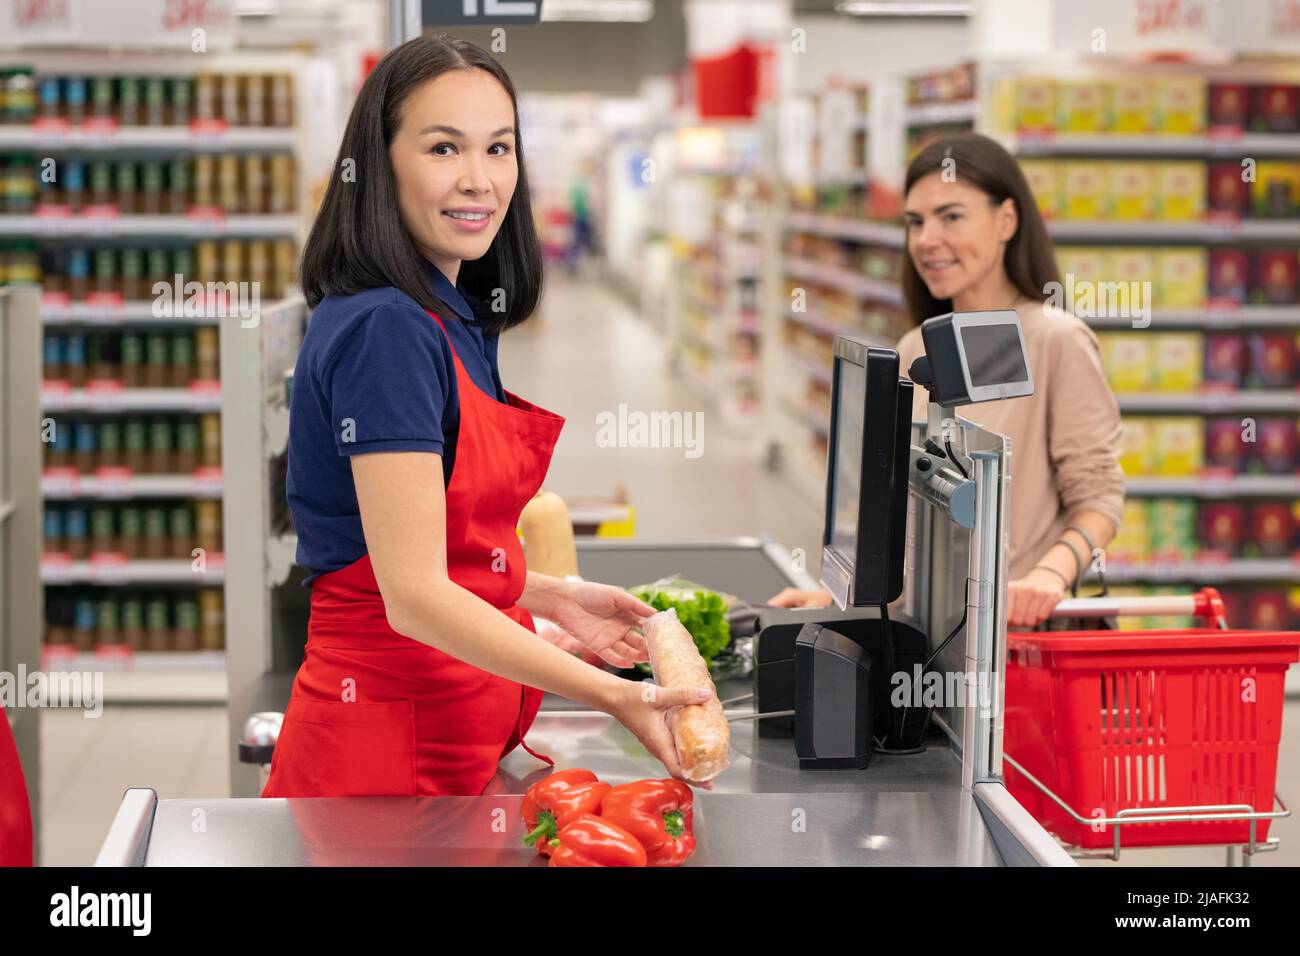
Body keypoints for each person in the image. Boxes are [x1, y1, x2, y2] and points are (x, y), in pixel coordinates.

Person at [263, 35, 712, 799]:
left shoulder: (443, 313)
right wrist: (615, 694)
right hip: (384, 764)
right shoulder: (388, 331)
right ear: (380, 163)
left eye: (499, 149)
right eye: (444, 148)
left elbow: (415, 550)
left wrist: (546, 593)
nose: (479, 180)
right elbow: (411, 595)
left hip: (444, 736)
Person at [771, 133, 1125, 628]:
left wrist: (1050, 575)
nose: (926, 240)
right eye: (915, 222)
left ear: (1007, 219)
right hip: (921, 639)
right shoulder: (914, 348)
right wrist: (839, 598)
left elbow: (1098, 498)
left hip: (1010, 646)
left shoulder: (1054, 341)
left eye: (951, 217)